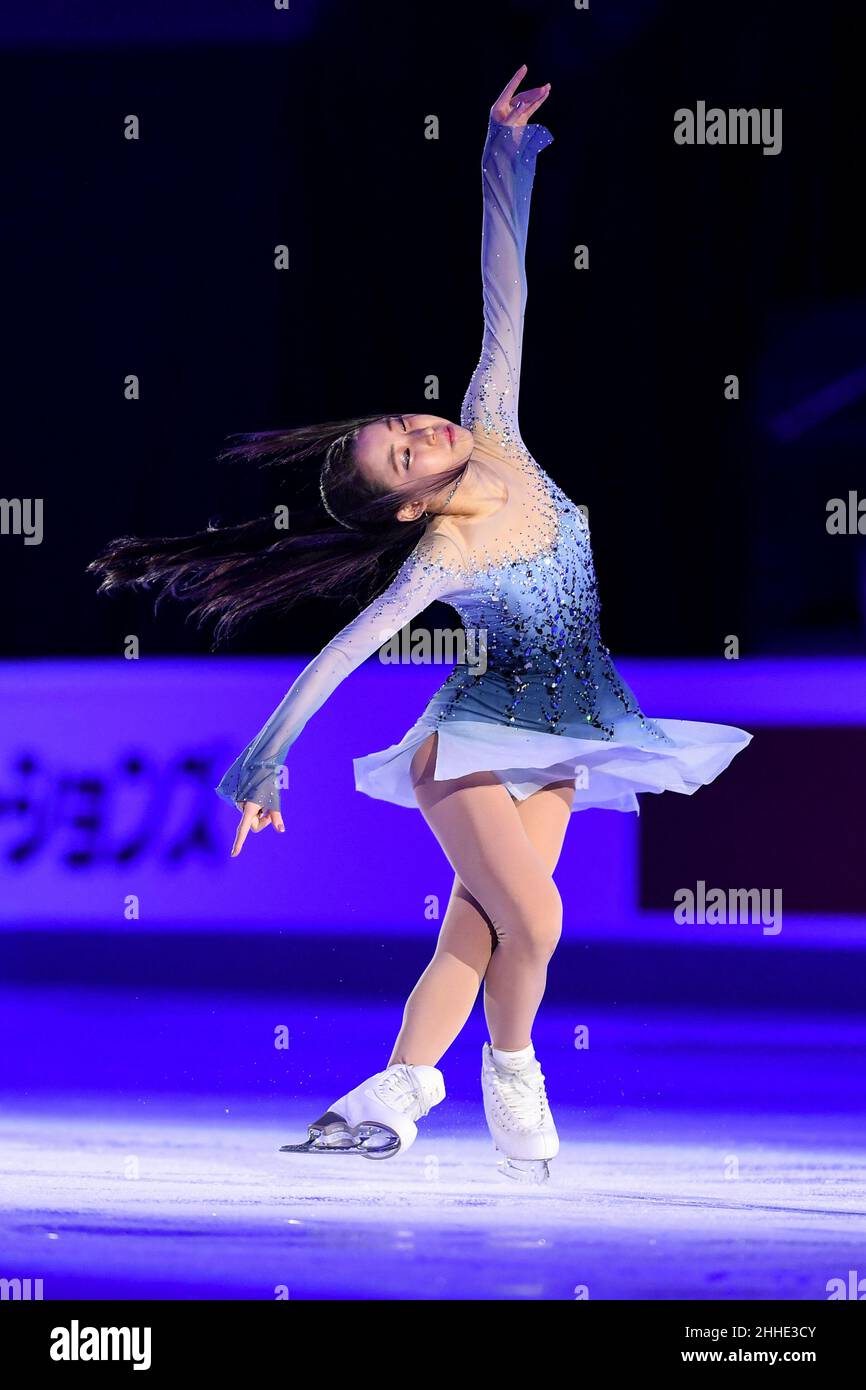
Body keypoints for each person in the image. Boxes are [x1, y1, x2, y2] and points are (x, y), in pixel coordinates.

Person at [89, 67, 752, 1183]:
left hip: (574, 724)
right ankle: (506, 1064)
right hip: (472, 735)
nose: (418, 427)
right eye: (403, 453)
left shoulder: (493, 426)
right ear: (409, 506)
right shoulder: (442, 555)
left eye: (399, 421)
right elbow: (337, 653)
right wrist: (261, 765)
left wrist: (501, 152)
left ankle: (394, 1092)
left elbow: (508, 292)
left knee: (481, 929)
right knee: (530, 922)